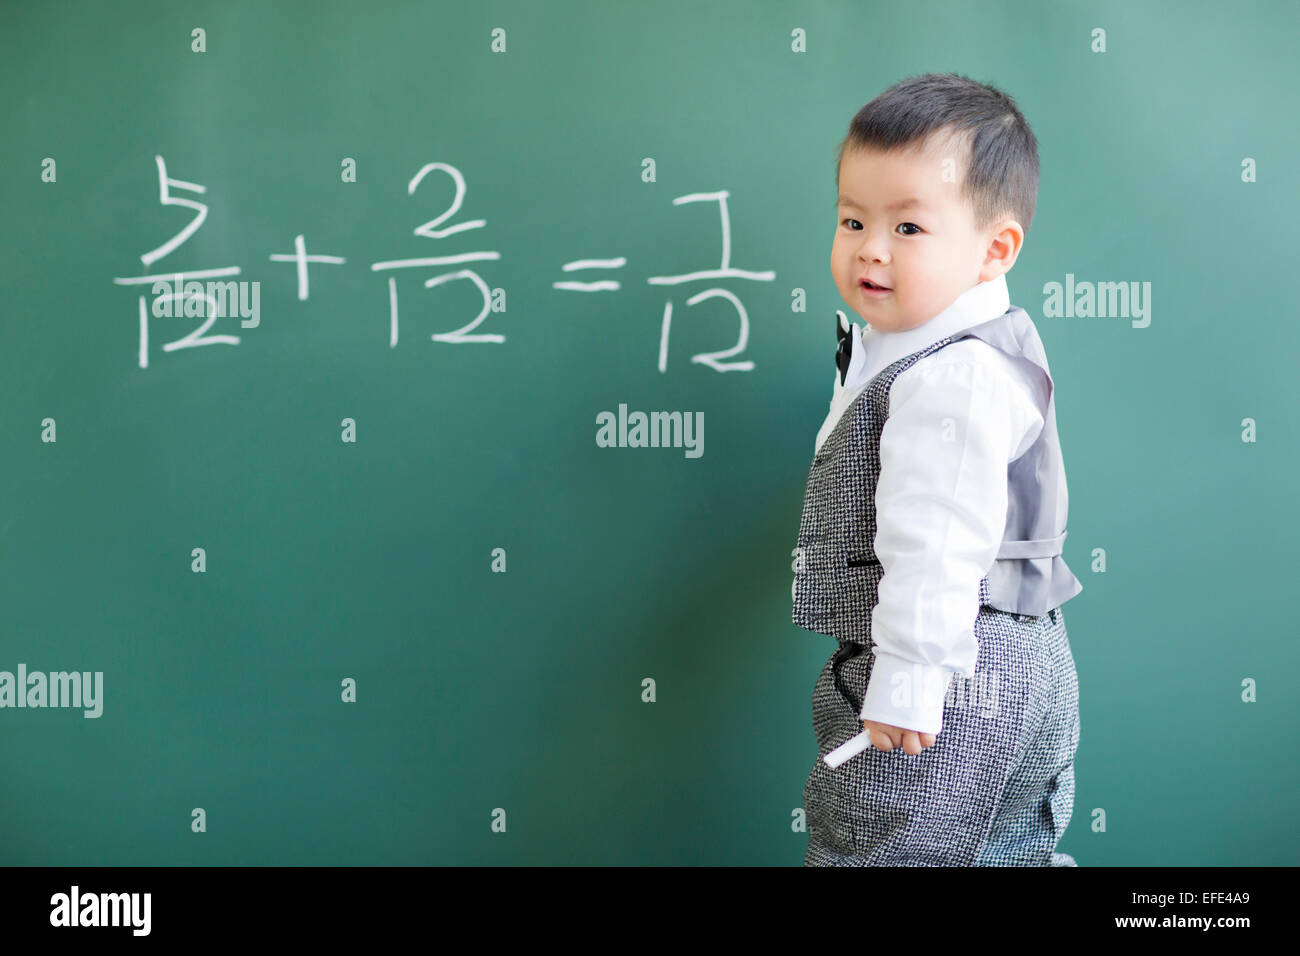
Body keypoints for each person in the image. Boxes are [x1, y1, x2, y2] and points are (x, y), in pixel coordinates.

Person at [792, 72, 1084, 866]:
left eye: (909, 228)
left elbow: (939, 538)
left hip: (952, 672)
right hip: (1018, 663)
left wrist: (911, 679)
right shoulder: (947, 347)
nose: (870, 248)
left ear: (995, 249)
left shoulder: (949, 377)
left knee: (883, 850)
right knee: (1001, 854)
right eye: (852, 219)